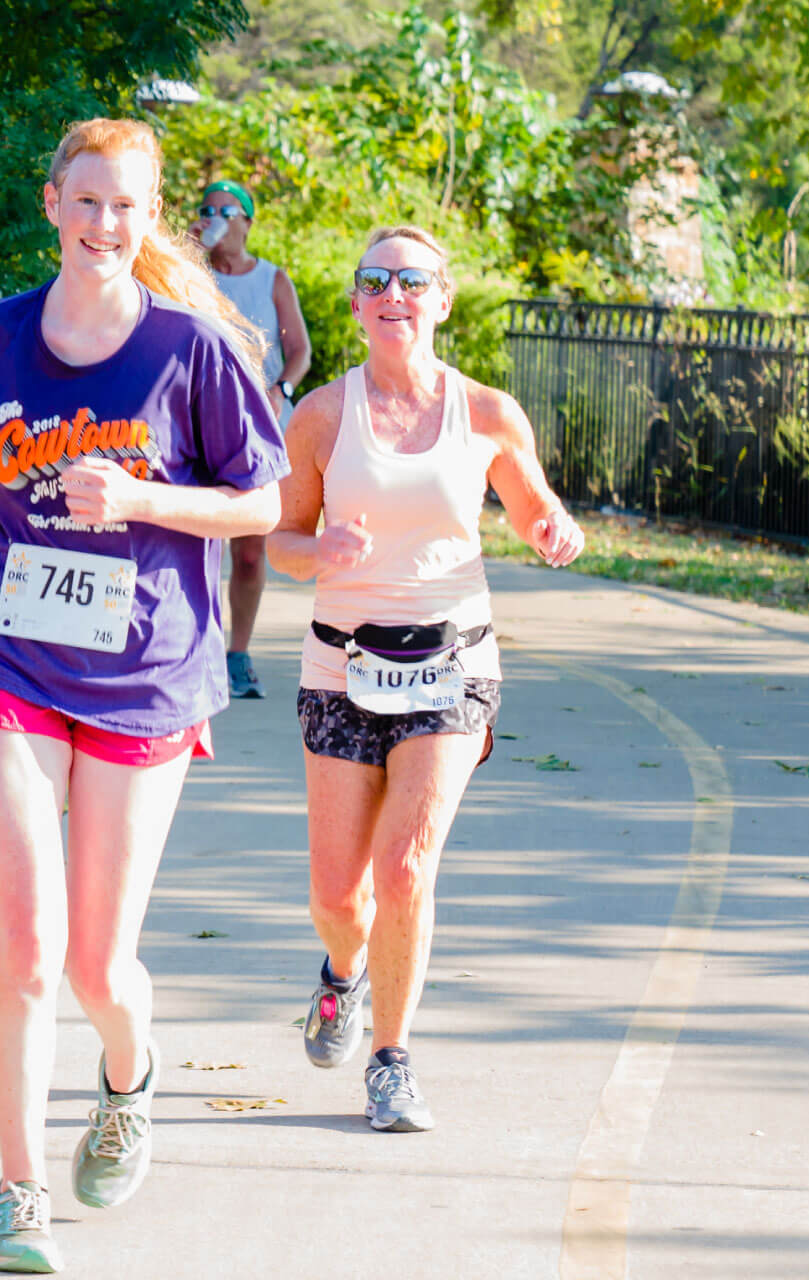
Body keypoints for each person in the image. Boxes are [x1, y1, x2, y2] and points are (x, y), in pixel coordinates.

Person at [0, 118, 287, 1273]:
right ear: (51, 204)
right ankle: (17, 1188)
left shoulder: (194, 348)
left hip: (147, 671)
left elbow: (262, 507)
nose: (103, 225)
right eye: (85, 202)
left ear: (149, 215)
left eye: (126, 205)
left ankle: (128, 1074)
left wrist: (142, 500)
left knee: (97, 966)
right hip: (9, 655)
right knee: (26, 946)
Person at [265, 225, 584, 1135]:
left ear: (442, 299)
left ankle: (392, 1060)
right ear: (358, 303)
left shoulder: (487, 413)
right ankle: (342, 973)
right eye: (375, 281)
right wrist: (315, 547)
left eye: (413, 281)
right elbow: (278, 541)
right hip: (341, 665)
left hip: (452, 662)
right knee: (338, 896)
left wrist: (556, 532)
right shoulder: (323, 416)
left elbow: (536, 511)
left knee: (405, 868)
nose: (393, 295)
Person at [189, 180, 312, 702]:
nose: (216, 217)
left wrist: (281, 387)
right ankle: (194, 651)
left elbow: (300, 350)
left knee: (248, 551)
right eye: (206, 210)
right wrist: (186, 254)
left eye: (226, 210)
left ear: (247, 222)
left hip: (256, 426)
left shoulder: (272, 279)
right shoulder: (189, 273)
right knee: (192, 543)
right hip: (197, 421)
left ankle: (238, 655)